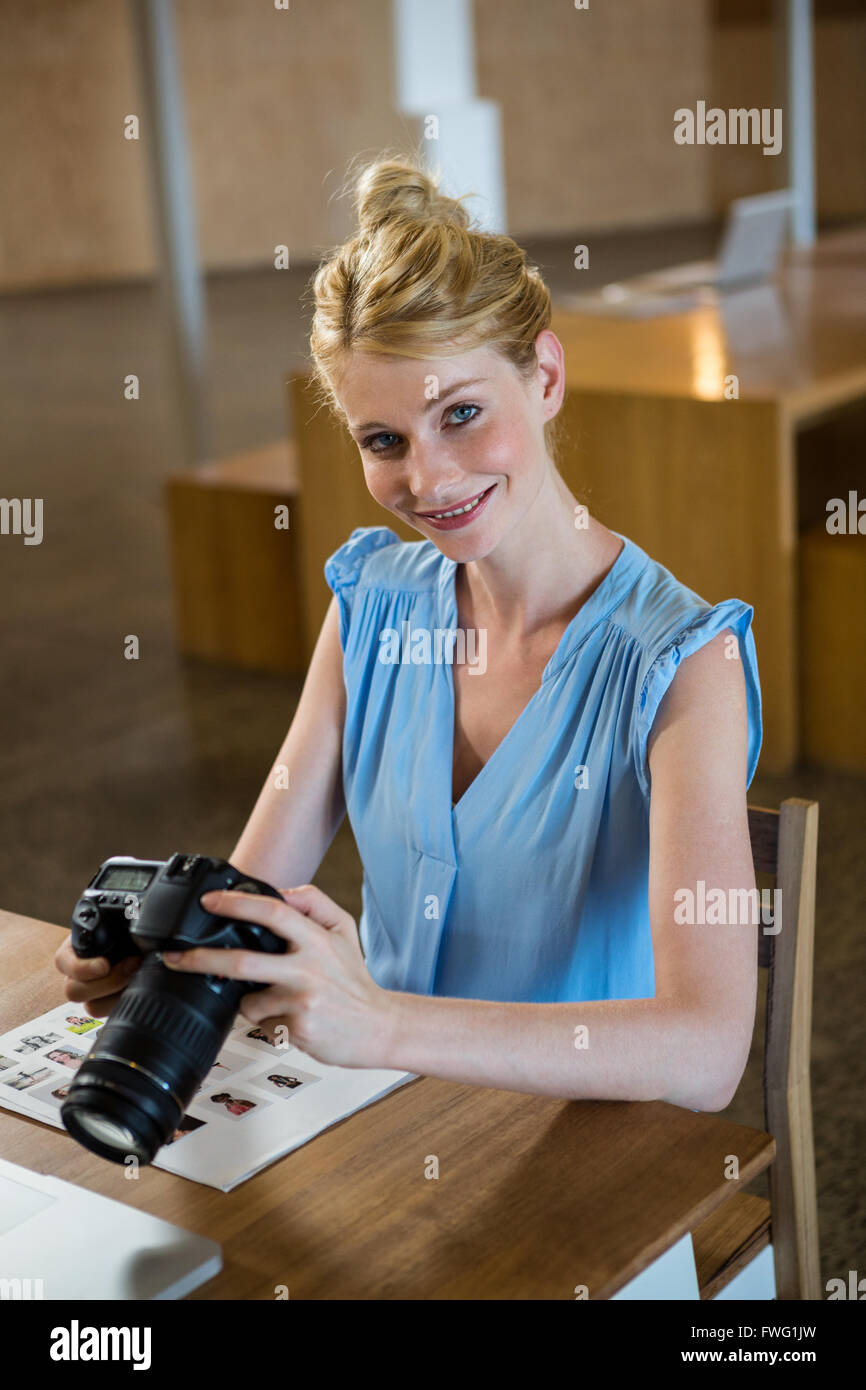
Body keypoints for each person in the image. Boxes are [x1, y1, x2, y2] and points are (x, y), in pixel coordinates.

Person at [54, 151, 762, 1114]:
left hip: (584, 1148)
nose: (427, 482)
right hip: (389, 1113)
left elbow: (707, 1052)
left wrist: (381, 1022)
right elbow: (253, 894)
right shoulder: (372, 608)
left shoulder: (684, 663)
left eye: (461, 414)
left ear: (545, 375)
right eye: (383, 441)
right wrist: (163, 962)